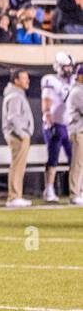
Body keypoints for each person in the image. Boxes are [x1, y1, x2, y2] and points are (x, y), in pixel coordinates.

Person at [40, 52, 73, 202]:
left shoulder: (73, 81)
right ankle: (49, 189)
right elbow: (46, 102)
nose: (68, 70)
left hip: (69, 125)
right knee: (53, 158)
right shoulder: (50, 80)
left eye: (69, 66)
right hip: (55, 124)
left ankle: (77, 189)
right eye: (65, 67)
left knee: (75, 159)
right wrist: (48, 117)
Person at [1, 68, 34, 208]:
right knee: (17, 165)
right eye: (24, 78)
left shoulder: (17, 94)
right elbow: (13, 117)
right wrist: (22, 133)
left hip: (18, 134)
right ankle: (14, 196)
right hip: (17, 135)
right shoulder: (14, 95)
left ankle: (16, 195)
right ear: (16, 80)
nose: (27, 81)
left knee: (19, 166)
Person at [66, 65, 83, 206]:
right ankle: (75, 193)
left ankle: (80, 191)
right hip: (79, 131)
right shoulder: (78, 91)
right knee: (77, 163)